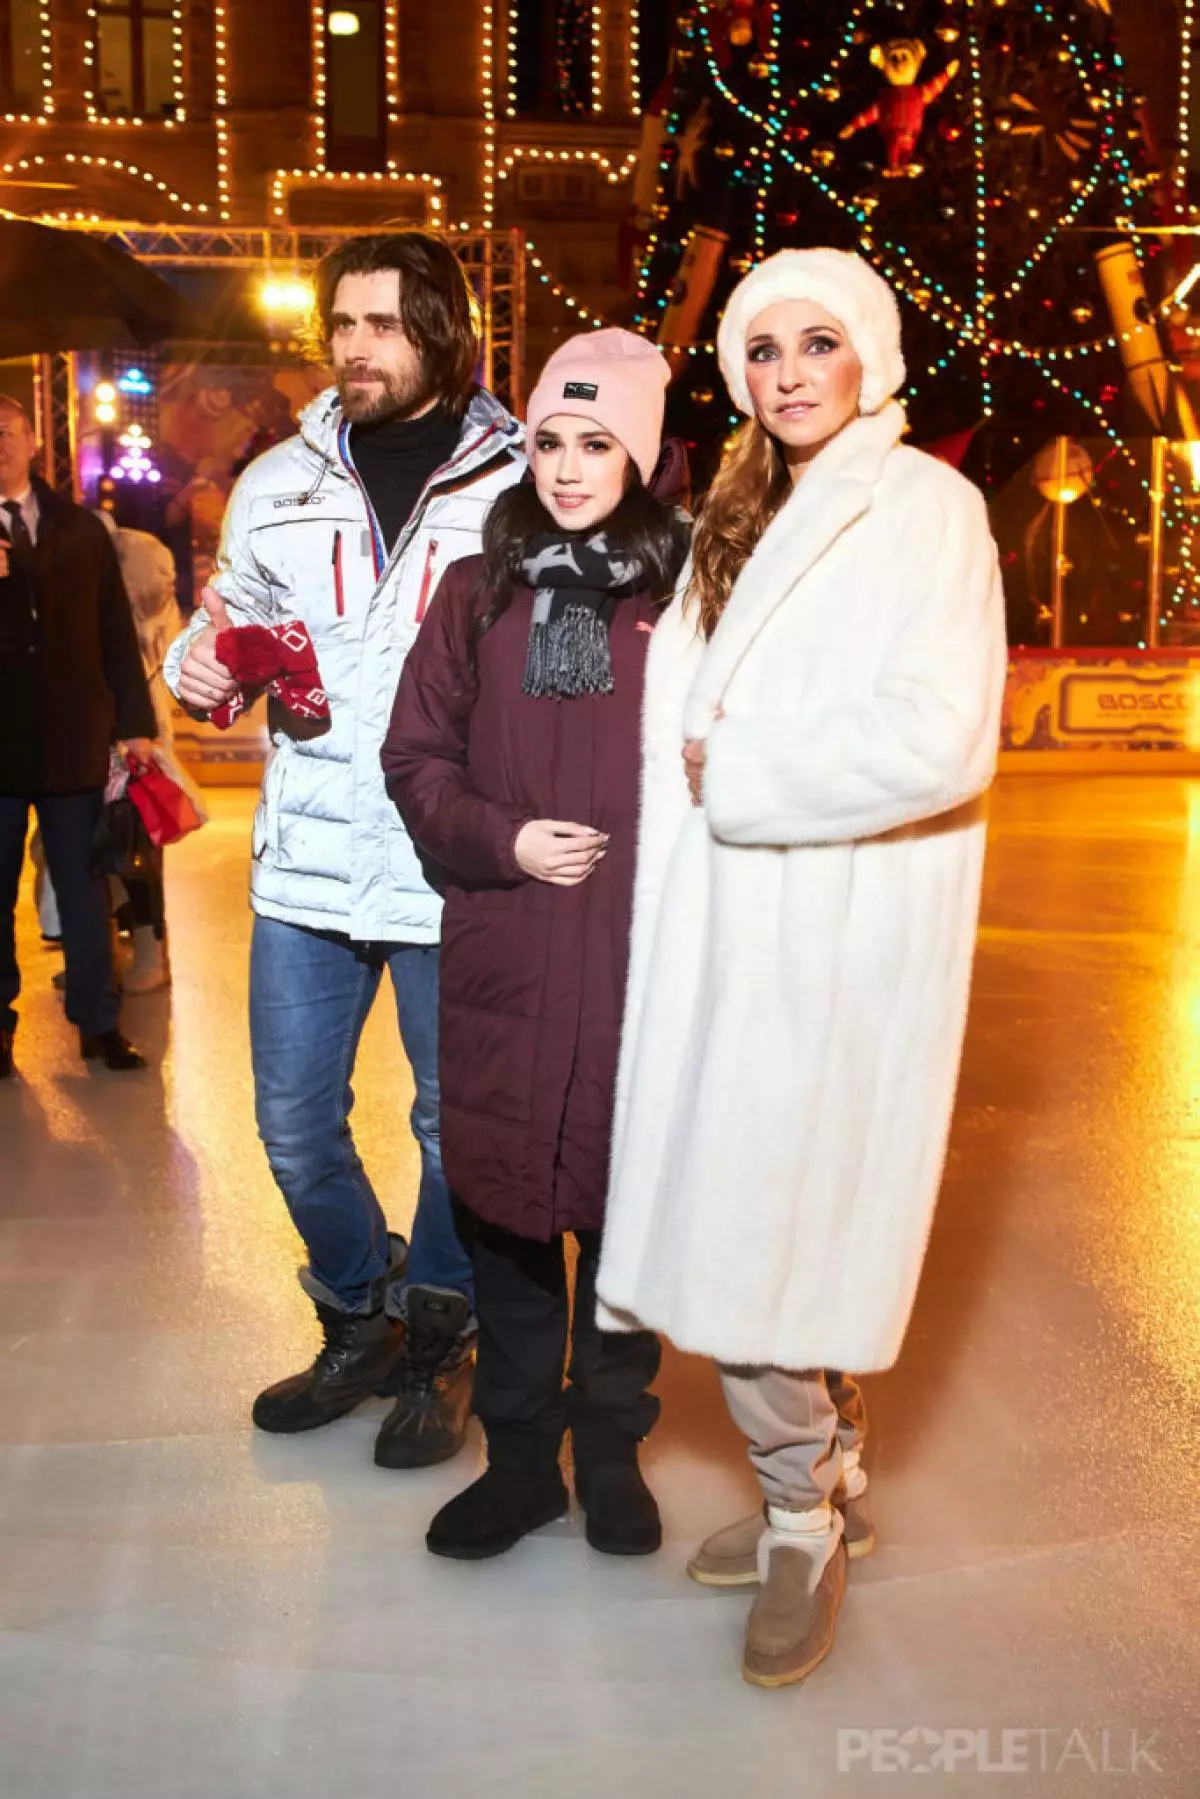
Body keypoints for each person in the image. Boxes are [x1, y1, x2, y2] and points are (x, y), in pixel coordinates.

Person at [595, 249, 1007, 1687]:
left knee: (760, 1247)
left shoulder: (927, 509)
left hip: (827, 933)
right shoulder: (740, 505)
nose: (784, 371)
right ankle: (826, 1478)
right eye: (758, 349)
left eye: (814, 341)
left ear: (871, 353)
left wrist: (750, 769)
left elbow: (943, 733)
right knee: (754, 1221)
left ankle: (800, 1509)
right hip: (721, 929)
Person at [164, 232, 525, 1461]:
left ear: (444, 330)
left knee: (449, 1126)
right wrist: (199, 667)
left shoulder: (524, 482)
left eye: (383, 323)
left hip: (448, 866)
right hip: (308, 861)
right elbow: (219, 633)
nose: (355, 347)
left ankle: (439, 1329)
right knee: (291, 1122)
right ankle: (357, 1309)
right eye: (342, 324)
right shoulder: (280, 481)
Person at [382, 329, 688, 1561]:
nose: (567, 467)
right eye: (550, 441)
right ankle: (521, 1466)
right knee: (508, 1220)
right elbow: (415, 761)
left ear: (644, 451)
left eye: (597, 441)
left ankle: (609, 1452)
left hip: (637, 967)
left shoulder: (687, 600)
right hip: (506, 958)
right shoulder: (478, 591)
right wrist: (500, 842)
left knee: (623, 1227)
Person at [0, 396, 156, 1078]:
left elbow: (115, 631)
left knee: (88, 888)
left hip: (73, 742)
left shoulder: (78, 527)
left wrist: (135, 727)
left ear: (33, 440)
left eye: (7, 431)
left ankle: (99, 1023)